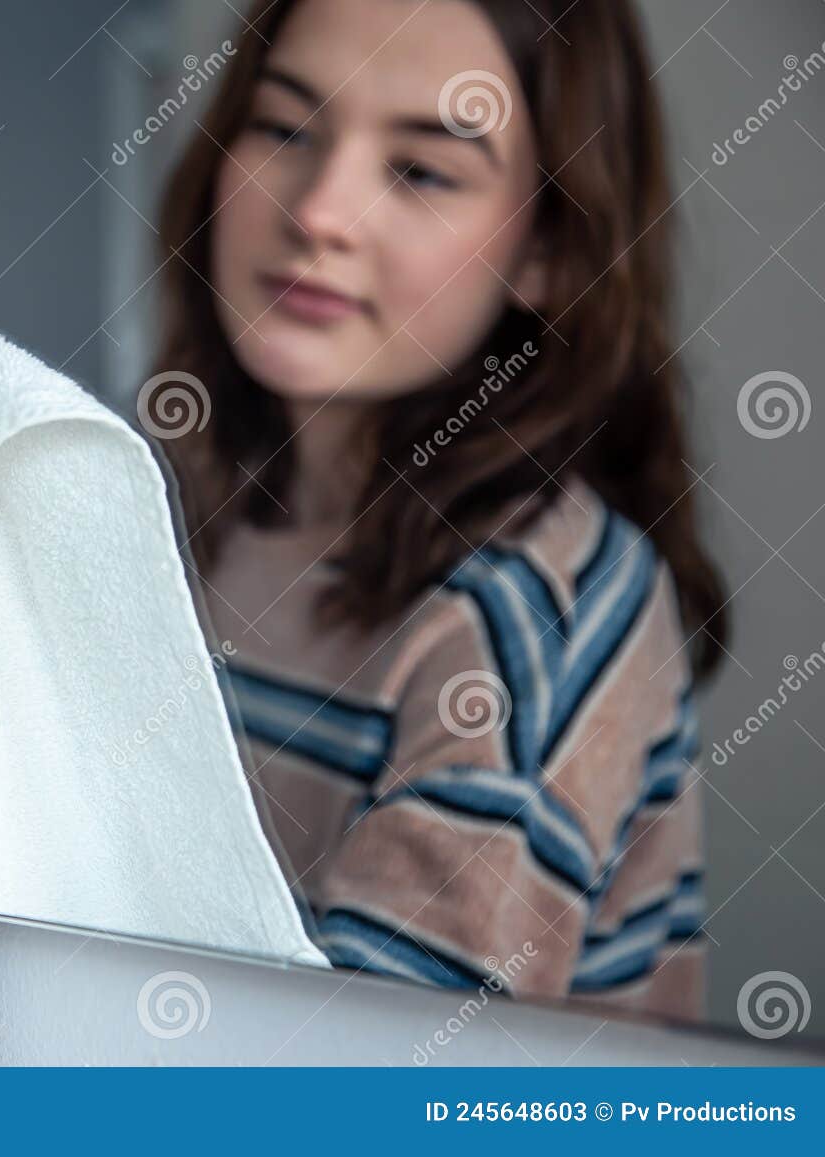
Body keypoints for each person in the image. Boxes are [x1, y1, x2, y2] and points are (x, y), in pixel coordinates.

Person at [146, 0, 723, 1020]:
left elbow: (374, 1092)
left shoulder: (530, 610)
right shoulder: (164, 497)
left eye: (418, 170)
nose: (320, 210)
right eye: (285, 128)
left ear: (547, 248)